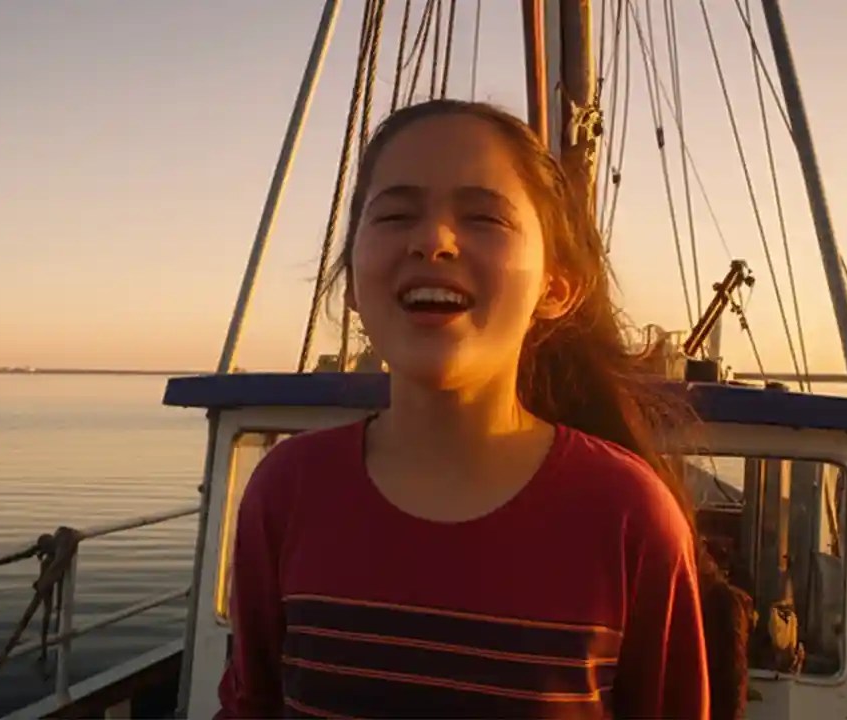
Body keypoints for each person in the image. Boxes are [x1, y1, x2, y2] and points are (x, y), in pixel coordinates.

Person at [217, 99, 711, 719]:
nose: (432, 241)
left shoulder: (628, 516)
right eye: (395, 214)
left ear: (554, 288)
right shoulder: (287, 491)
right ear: (351, 283)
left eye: (483, 217)